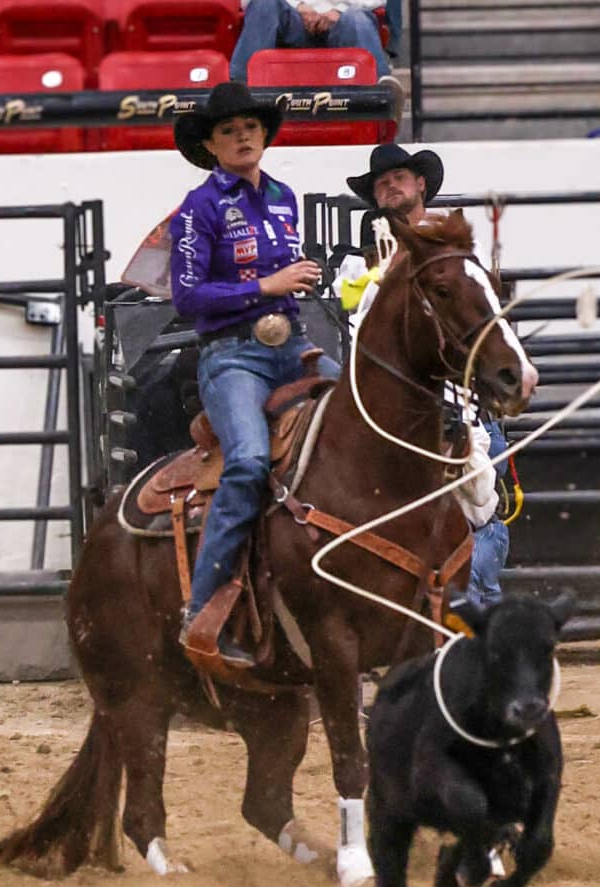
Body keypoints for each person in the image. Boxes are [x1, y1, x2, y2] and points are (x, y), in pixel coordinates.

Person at [170, 81, 338, 669]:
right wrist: (266, 286)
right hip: (232, 355)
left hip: (292, 345)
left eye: (250, 127)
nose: (242, 135)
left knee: (362, 411)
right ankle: (204, 607)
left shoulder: (286, 196)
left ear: (264, 135)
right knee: (245, 460)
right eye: (228, 130)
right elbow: (187, 297)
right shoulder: (200, 208)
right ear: (211, 145)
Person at [341, 142, 515, 604]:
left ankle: (473, 603)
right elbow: (356, 328)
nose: (389, 185)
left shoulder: (451, 252)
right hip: (401, 401)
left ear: (420, 184)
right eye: (381, 182)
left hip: (458, 395)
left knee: (481, 499)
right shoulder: (364, 264)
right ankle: (465, 607)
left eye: (398, 176)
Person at [230, 0, 393, 84]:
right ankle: (240, 86)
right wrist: (299, 6)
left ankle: (381, 89)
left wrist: (339, 10)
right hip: (293, 19)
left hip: (342, 19)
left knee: (356, 18)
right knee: (264, 4)